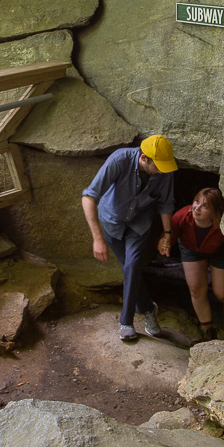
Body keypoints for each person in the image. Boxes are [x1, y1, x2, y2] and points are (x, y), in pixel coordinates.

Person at [82, 134, 177, 342]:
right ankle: (148, 308)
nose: (162, 170)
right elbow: (89, 197)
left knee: (133, 265)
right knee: (129, 268)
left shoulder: (165, 170)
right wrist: (97, 239)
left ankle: (126, 322)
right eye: (158, 166)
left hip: (139, 224)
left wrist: (167, 235)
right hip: (112, 222)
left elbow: (165, 204)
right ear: (144, 158)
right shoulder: (119, 160)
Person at [157, 187, 224, 341]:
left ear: (214, 212)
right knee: (196, 289)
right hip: (190, 249)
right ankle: (208, 331)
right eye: (196, 201)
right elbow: (170, 234)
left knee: (221, 292)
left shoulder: (222, 223)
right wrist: (164, 243)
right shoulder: (183, 216)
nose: (197, 208)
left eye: (204, 206)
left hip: (219, 250)